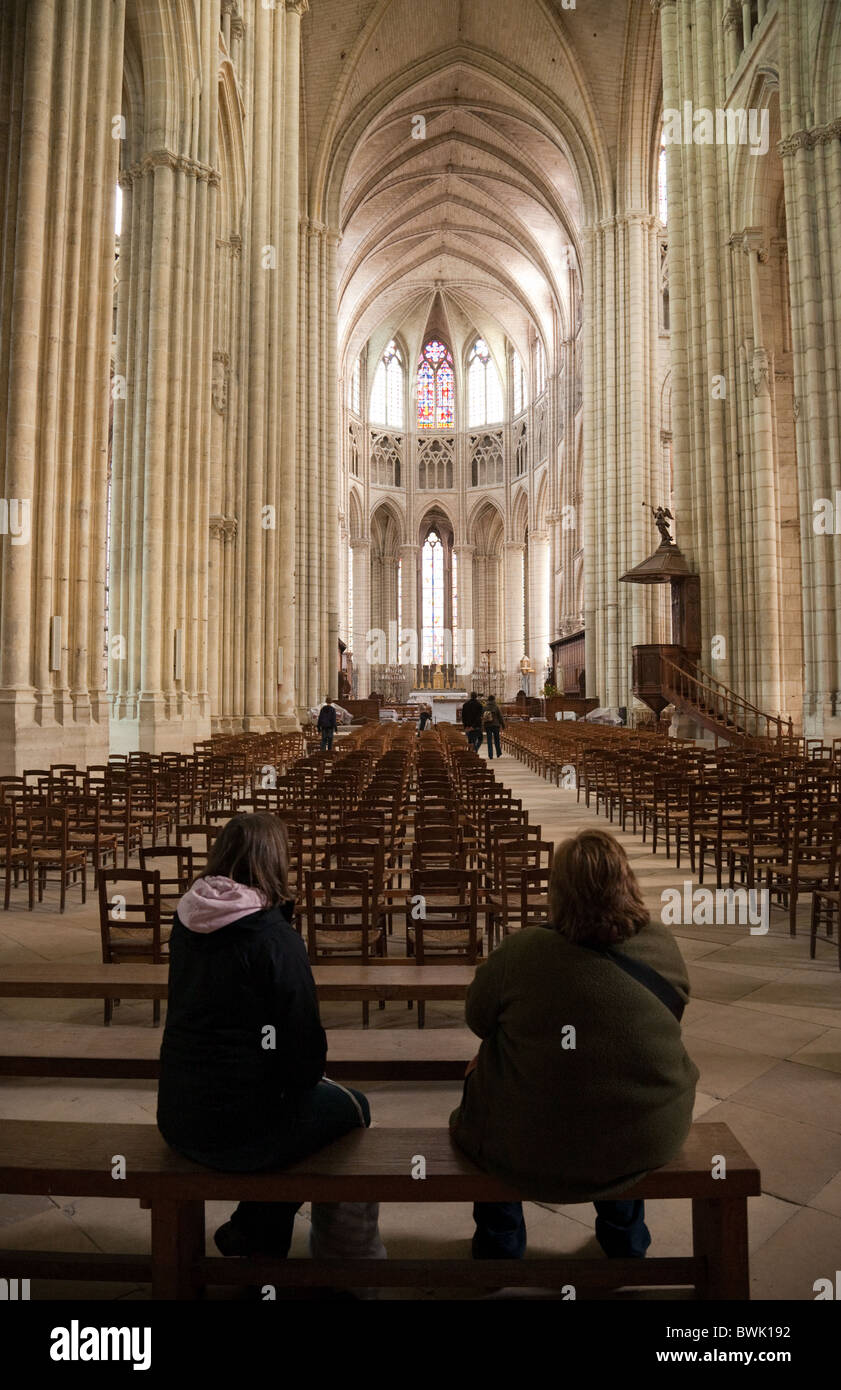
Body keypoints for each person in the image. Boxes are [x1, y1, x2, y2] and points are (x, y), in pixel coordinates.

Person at [450, 829, 698, 1261]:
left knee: (485, 1073)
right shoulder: (660, 943)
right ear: (626, 881)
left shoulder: (522, 950)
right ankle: (625, 1239)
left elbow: (478, 1020)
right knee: (616, 1082)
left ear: (558, 891)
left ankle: (500, 1243)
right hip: (644, 1131)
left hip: (527, 1139)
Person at [157, 813, 385, 1267]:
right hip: (239, 1128)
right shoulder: (273, 938)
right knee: (353, 1108)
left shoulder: (187, 922)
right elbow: (303, 1056)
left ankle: (258, 1234)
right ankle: (316, 1252)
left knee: (294, 1110)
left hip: (179, 1111)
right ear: (276, 862)